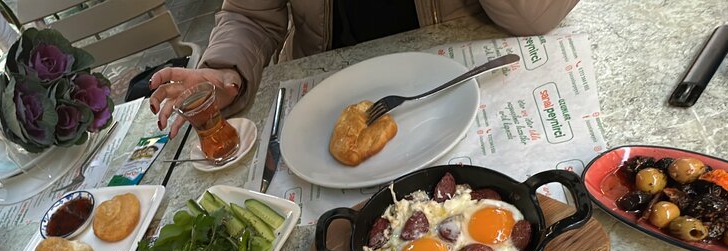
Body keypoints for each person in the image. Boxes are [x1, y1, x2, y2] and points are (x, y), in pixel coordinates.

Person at [149, 0, 579, 135]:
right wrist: (226, 71)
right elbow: (250, 14)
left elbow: (535, 16)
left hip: (468, 85)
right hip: (331, 99)